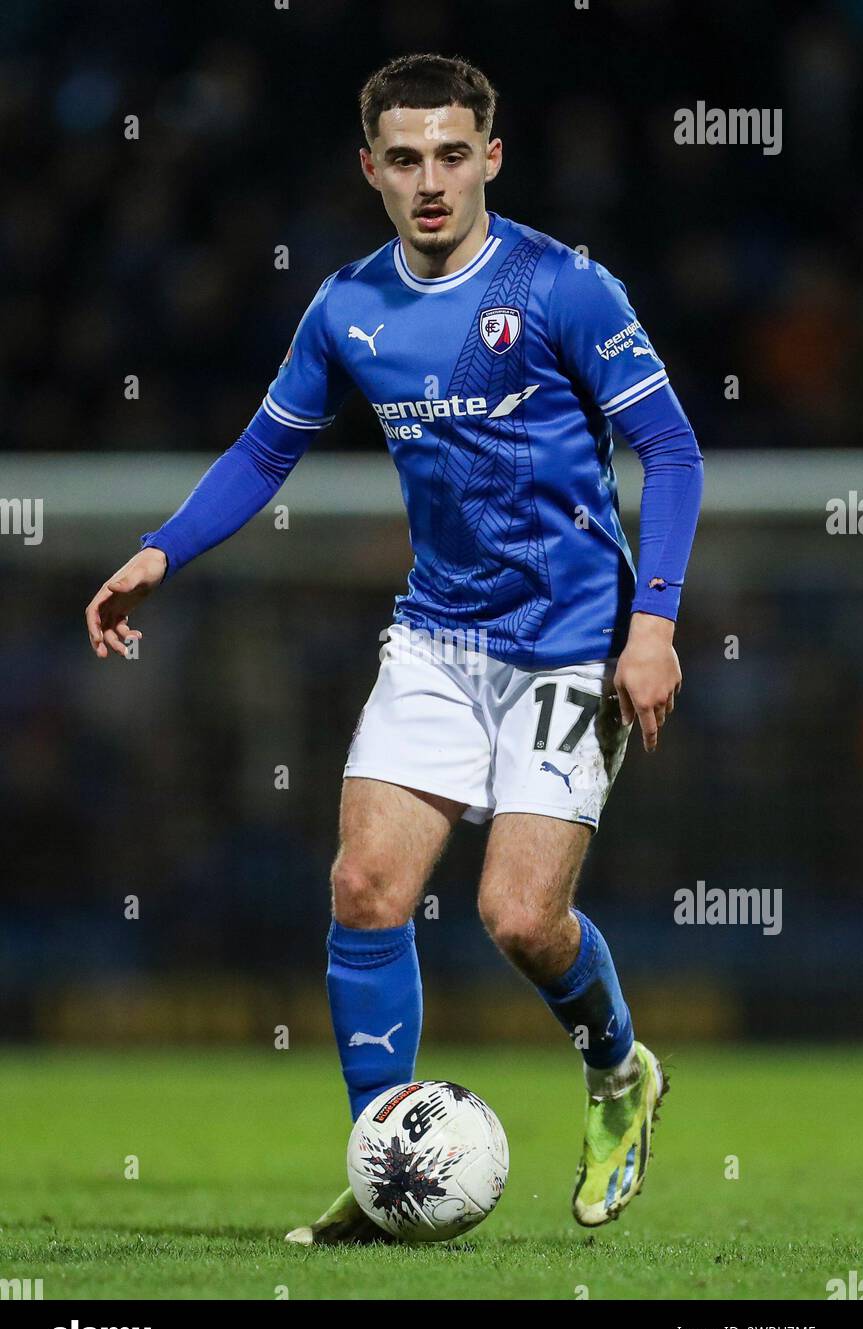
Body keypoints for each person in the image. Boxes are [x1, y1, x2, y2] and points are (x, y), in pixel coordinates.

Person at [85, 51, 703, 1244]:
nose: (431, 181)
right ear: (370, 167)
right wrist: (160, 551)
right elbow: (267, 451)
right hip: (435, 636)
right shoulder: (346, 309)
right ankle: (388, 1162)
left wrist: (656, 623)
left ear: (491, 159)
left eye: (453, 155)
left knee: (519, 919)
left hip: (570, 645)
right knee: (365, 886)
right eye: (406, 159)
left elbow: (669, 450)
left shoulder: (563, 287)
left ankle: (620, 1072)